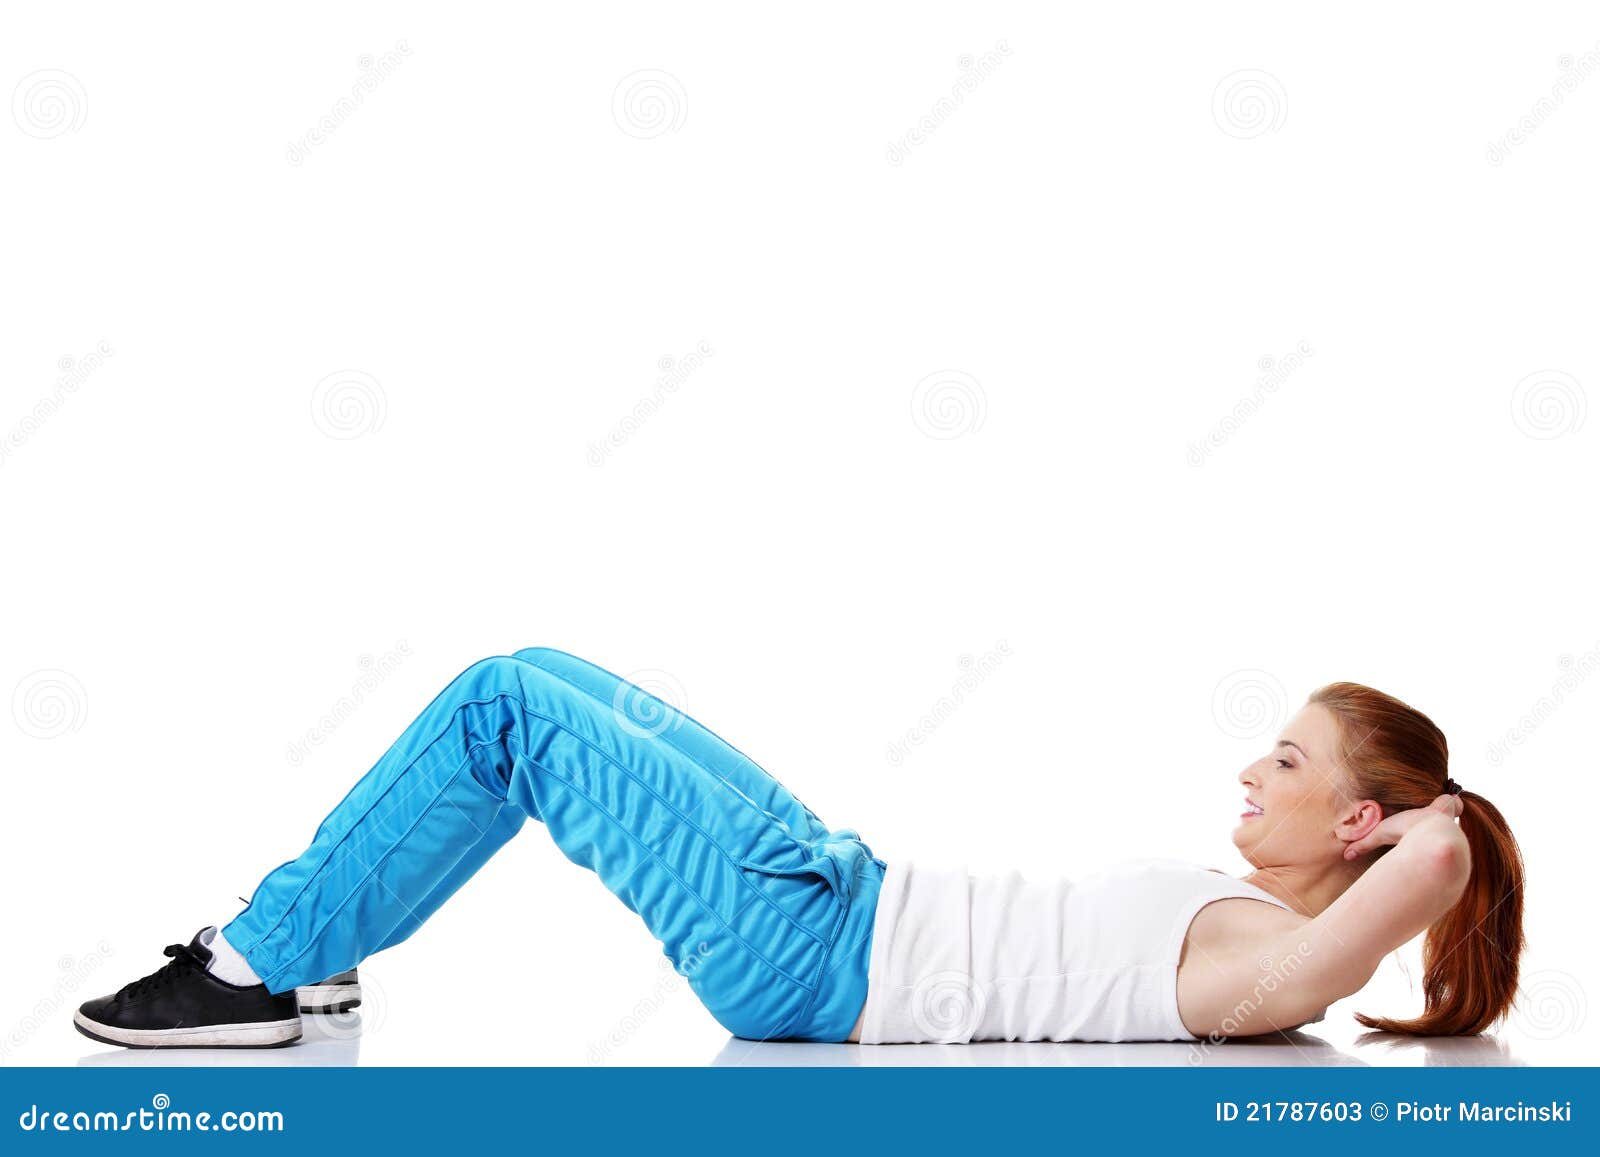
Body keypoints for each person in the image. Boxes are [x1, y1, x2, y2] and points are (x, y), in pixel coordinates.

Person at [72, 647, 1524, 1049]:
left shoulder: (1267, 959)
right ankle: (316, 963)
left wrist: (1438, 834)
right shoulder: (1240, 907)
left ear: (1360, 822)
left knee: (503, 708)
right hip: (838, 881)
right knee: (535, 670)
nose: (1248, 770)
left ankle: (262, 963)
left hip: (808, 953)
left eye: (1287, 758)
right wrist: (1412, 832)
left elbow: (1327, 962)